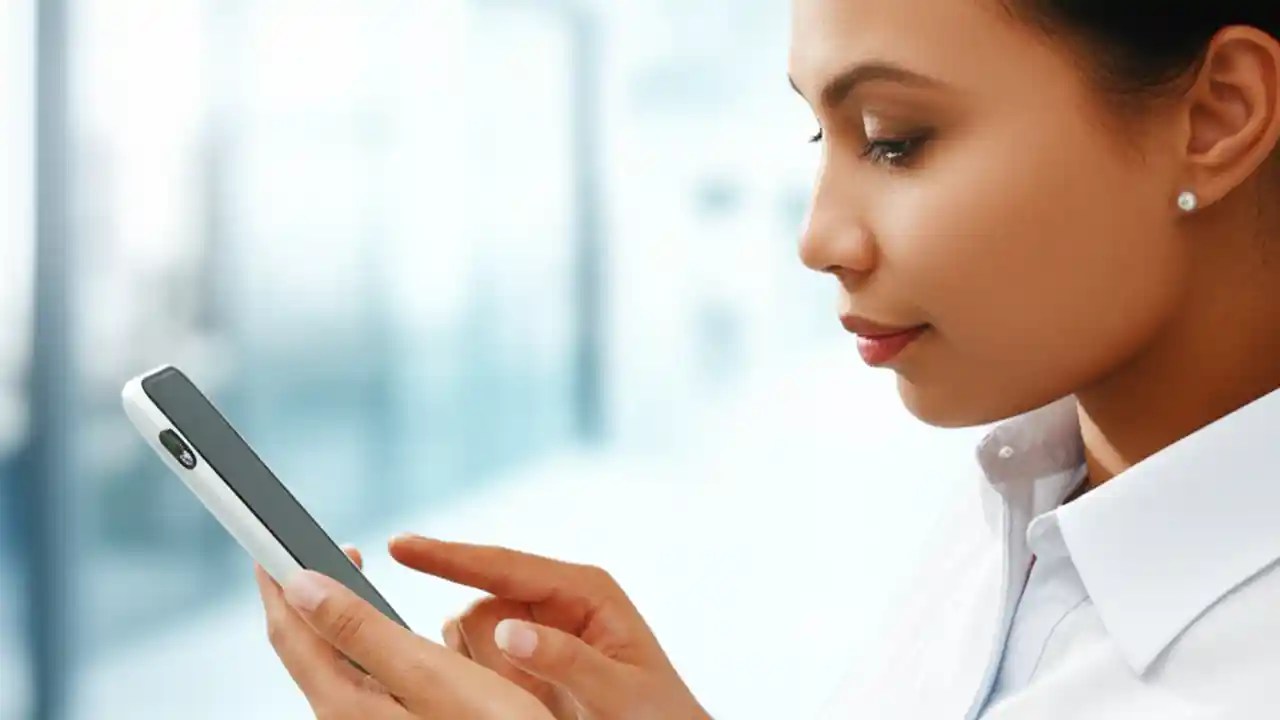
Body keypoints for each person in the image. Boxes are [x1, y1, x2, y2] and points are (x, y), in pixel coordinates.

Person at [253, 0, 1280, 717]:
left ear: (1216, 115)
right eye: (818, 136)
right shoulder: (1019, 503)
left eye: (893, 138)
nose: (819, 237)